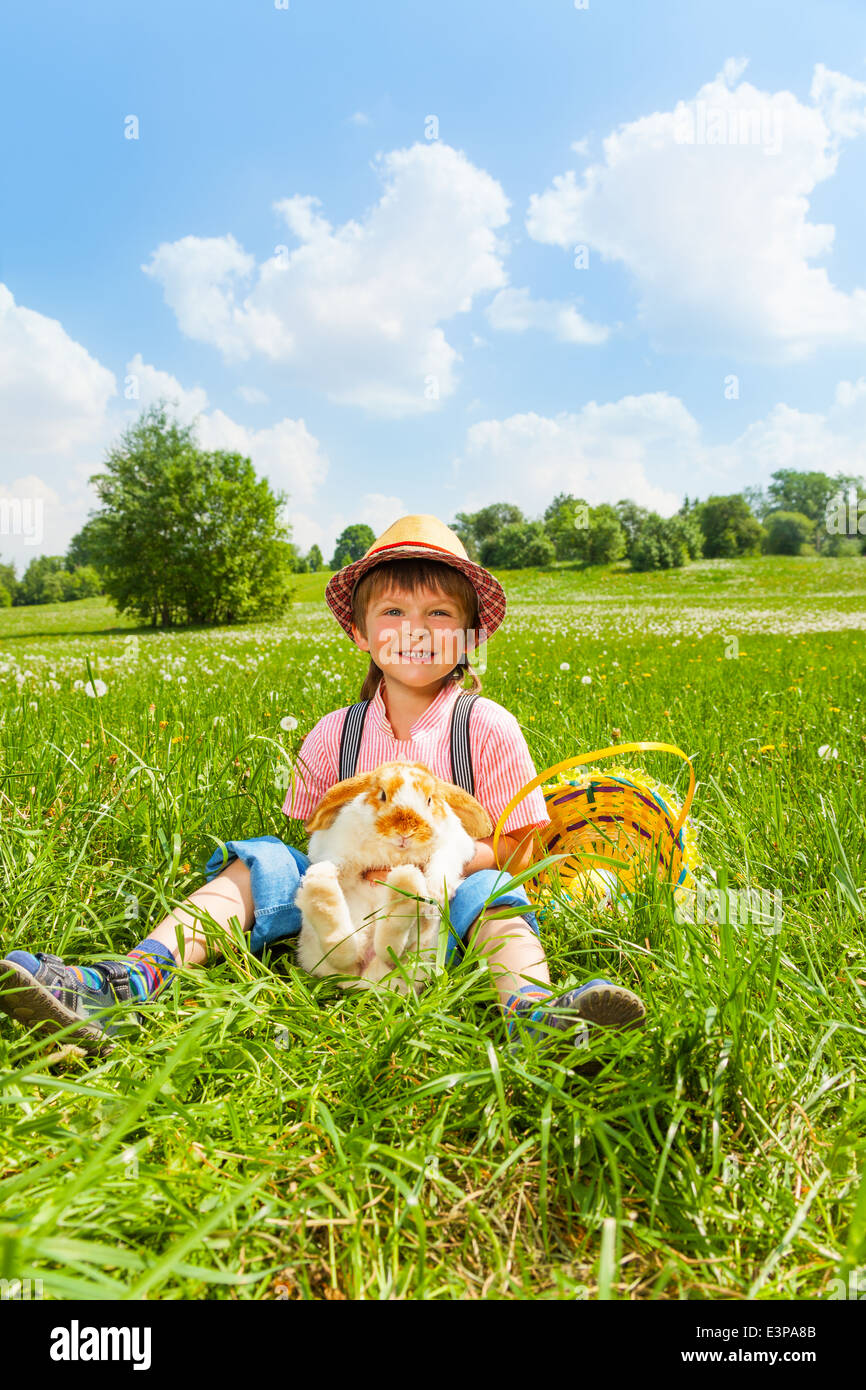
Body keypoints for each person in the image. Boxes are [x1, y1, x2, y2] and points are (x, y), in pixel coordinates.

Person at [0, 514, 645, 1055]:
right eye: (393, 610)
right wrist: (353, 868)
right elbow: (313, 837)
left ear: (469, 634)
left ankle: (531, 1014)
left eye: (439, 611)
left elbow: (519, 847)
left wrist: (432, 866)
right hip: (340, 923)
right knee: (261, 861)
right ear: (361, 632)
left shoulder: (489, 728)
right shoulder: (333, 733)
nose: (415, 629)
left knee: (494, 889)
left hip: (437, 921)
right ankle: (124, 982)